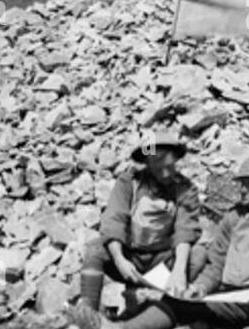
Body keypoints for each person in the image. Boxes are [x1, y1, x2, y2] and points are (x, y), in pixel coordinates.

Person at [86, 155, 249, 329]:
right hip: (236, 299)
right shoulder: (233, 218)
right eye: (241, 184)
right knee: (178, 302)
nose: (242, 190)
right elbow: (216, 264)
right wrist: (201, 287)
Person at [77, 130, 201, 315]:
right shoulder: (128, 182)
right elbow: (114, 220)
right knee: (95, 250)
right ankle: (88, 316)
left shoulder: (185, 188)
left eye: (170, 166)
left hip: (163, 259)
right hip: (130, 258)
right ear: (148, 164)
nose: (166, 173)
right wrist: (119, 260)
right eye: (159, 168)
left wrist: (179, 270)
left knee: (199, 254)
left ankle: (169, 307)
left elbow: (185, 229)